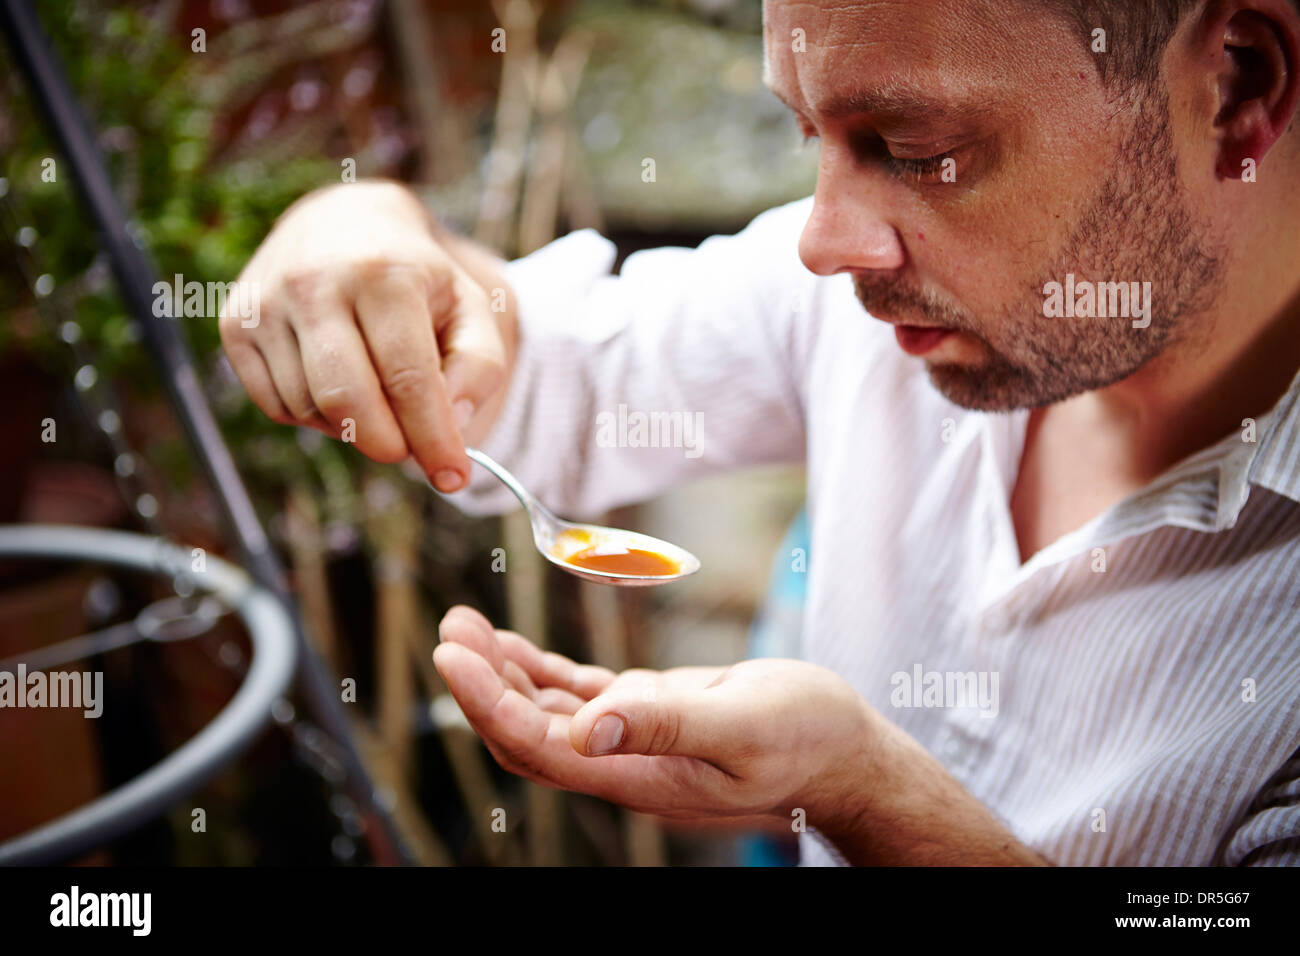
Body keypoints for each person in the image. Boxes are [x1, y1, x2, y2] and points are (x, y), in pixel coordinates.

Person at [219, 0, 1300, 865]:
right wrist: (362, 234)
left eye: (914, 149)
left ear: (1237, 85)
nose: (824, 243)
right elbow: (539, 366)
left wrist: (867, 795)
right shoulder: (871, 303)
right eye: (808, 132)